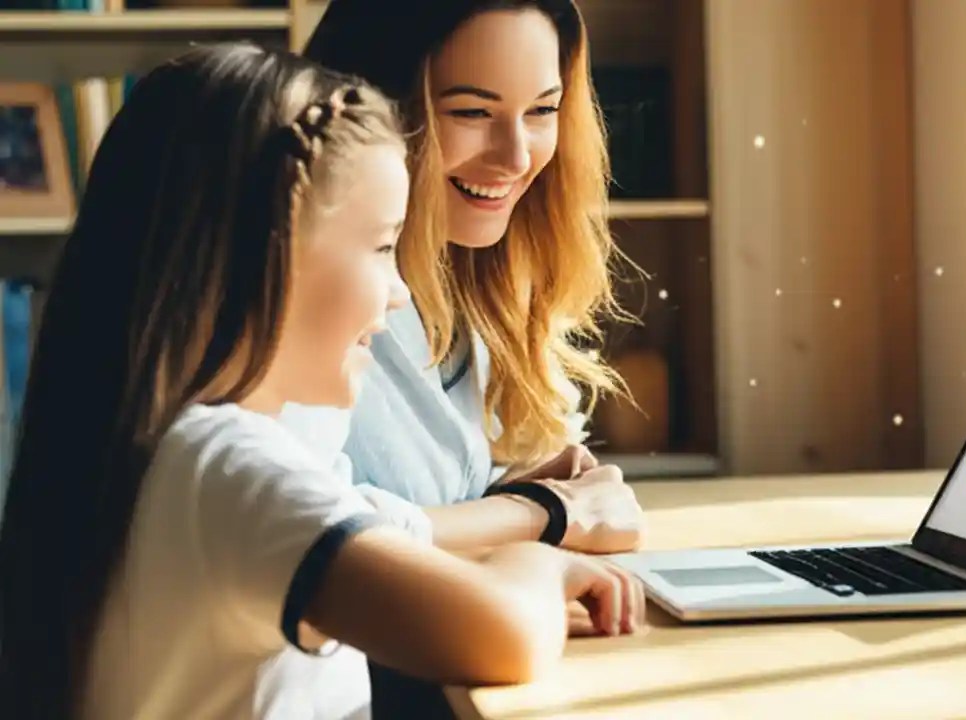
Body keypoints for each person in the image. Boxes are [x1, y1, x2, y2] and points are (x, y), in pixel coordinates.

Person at [0, 44, 643, 719]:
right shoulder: (226, 469)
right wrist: (541, 561)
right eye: (381, 247)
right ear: (263, 255)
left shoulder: (155, 448)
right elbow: (501, 637)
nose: (398, 294)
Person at [297, 0, 644, 554]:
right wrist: (543, 512)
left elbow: (418, 501)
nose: (515, 157)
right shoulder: (297, 292)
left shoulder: (471, 280)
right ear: (374, 112)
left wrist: (504, 487)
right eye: (471, 113)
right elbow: (301, 527)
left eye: (541, 111)